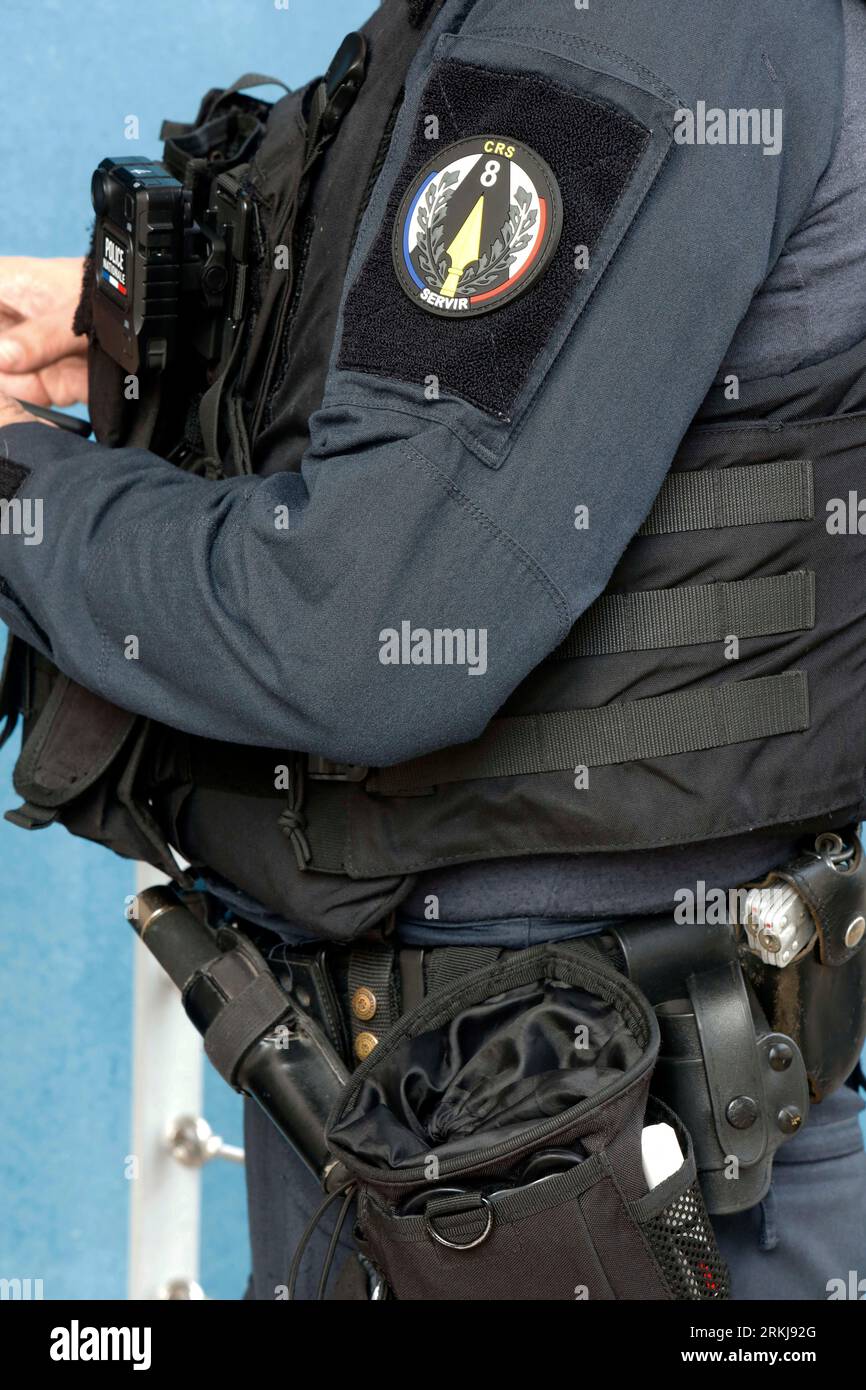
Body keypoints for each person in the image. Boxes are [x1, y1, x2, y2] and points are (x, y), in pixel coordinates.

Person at [1, 0, 865, 1301]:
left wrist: (21, 497)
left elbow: (356, 638)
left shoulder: (632, 26)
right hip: (425, 1137)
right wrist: (126, 328)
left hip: (580, 1166)